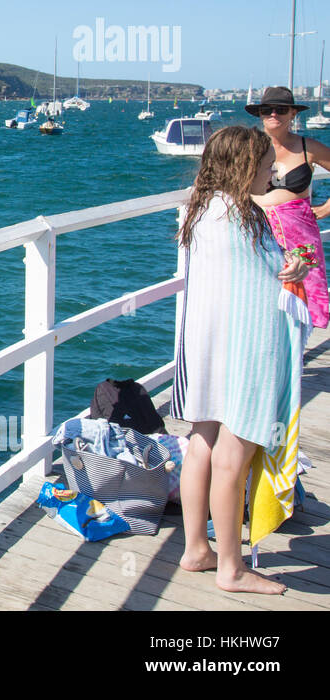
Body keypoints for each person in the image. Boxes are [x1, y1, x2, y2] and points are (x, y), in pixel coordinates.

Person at [172, 125, 306, 595]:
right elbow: (266, 281)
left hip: (203, 348)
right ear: (245, 167)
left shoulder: (200, 208)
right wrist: (296, 267)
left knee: (201, 443)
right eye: (267, 165)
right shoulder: (241, 219)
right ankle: (231, 567)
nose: (273, 171)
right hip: (244, 351)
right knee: (234, 455)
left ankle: (196, 548)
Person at [247, 85, 330, 328]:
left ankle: (298, 357)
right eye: (267, 109)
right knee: (265, 295)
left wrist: (327, 208)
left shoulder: (309, 148)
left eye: (281, 109)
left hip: (302, 236)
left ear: (293, 113)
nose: (274, 114)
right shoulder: (249, 147)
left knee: (307, 295)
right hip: (258, 232)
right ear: (260, 114)